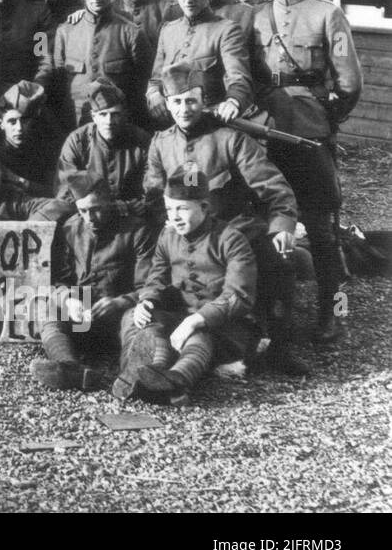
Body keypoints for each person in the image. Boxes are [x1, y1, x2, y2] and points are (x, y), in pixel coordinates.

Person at [144, 62, 308, 375]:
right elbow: (152, 195)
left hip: (234, 231)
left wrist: (282, 228)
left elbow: (276, 189)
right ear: (166, 104)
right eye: (176, 102)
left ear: (203, 100)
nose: (184, 109)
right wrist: (162, 220)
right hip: (184, 234)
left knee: (279, 259)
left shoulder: (230, 139)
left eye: (191, 100)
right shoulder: (161, 144)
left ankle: (279, 346)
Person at [247, 0, 362, 344]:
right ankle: (269, 313)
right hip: (266, 133)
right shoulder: (258, 15)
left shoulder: (327, 14)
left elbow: (349, 83)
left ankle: (335, 313)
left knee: (321, 229)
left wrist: (328, 119)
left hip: (311, 134)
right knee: (267, 223)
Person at [116, 169, 259, 405]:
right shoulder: (168, 235)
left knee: (198, 337)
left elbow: (238, 295)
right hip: (178, 316)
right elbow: (157, 276)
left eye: (182, 209)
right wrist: (148, 300)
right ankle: (147, 374)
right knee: (136, 318)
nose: (174, 217)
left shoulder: (231, 239)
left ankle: (177, 381)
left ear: (204, 207)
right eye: (169, 209)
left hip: (225, 327)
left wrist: (196, 320)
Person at [31, 176, 155, 391]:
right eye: (83, 211)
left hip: (119, 320)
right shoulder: (70, 230)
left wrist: (120, 303)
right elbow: (59, 280)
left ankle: (131, 377)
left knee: (138, 320)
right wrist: (69, 301)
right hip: (83, 319)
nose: (90, 218)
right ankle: (70, 368)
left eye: (96, 209)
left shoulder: (137, 230)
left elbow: (149, 285)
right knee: (45, 308)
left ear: (110, 201)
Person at [146, 0, 252, 127]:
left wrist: (233, 101)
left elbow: (238, 77)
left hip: (211, 123)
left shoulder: (226, 30)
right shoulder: (168, 31)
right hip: (173, 124)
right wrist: (153, 94)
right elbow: (156, 78)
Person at [51, 0, 152, 126]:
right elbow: (58, 84)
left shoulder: (130, 32)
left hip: (117, 122)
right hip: (76, 123)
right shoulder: (65, 32)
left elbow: (142, 82)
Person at [56, 79, 151, 216]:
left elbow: (152, 185)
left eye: (115, 114)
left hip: (131, 217)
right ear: (94, 117)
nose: (109, 121)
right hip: (87, 216)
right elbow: (64, 191)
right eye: (103, 114)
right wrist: (114, 208)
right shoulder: (77, 141)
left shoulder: (141, 140)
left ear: (124, 114)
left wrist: (142, 203)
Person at [0, 80, 63, 196]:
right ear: (1, 123)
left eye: (24, 120)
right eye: (12, 122)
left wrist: (19, 180)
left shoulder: (41, 148)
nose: (19, 128)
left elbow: (55, 190)